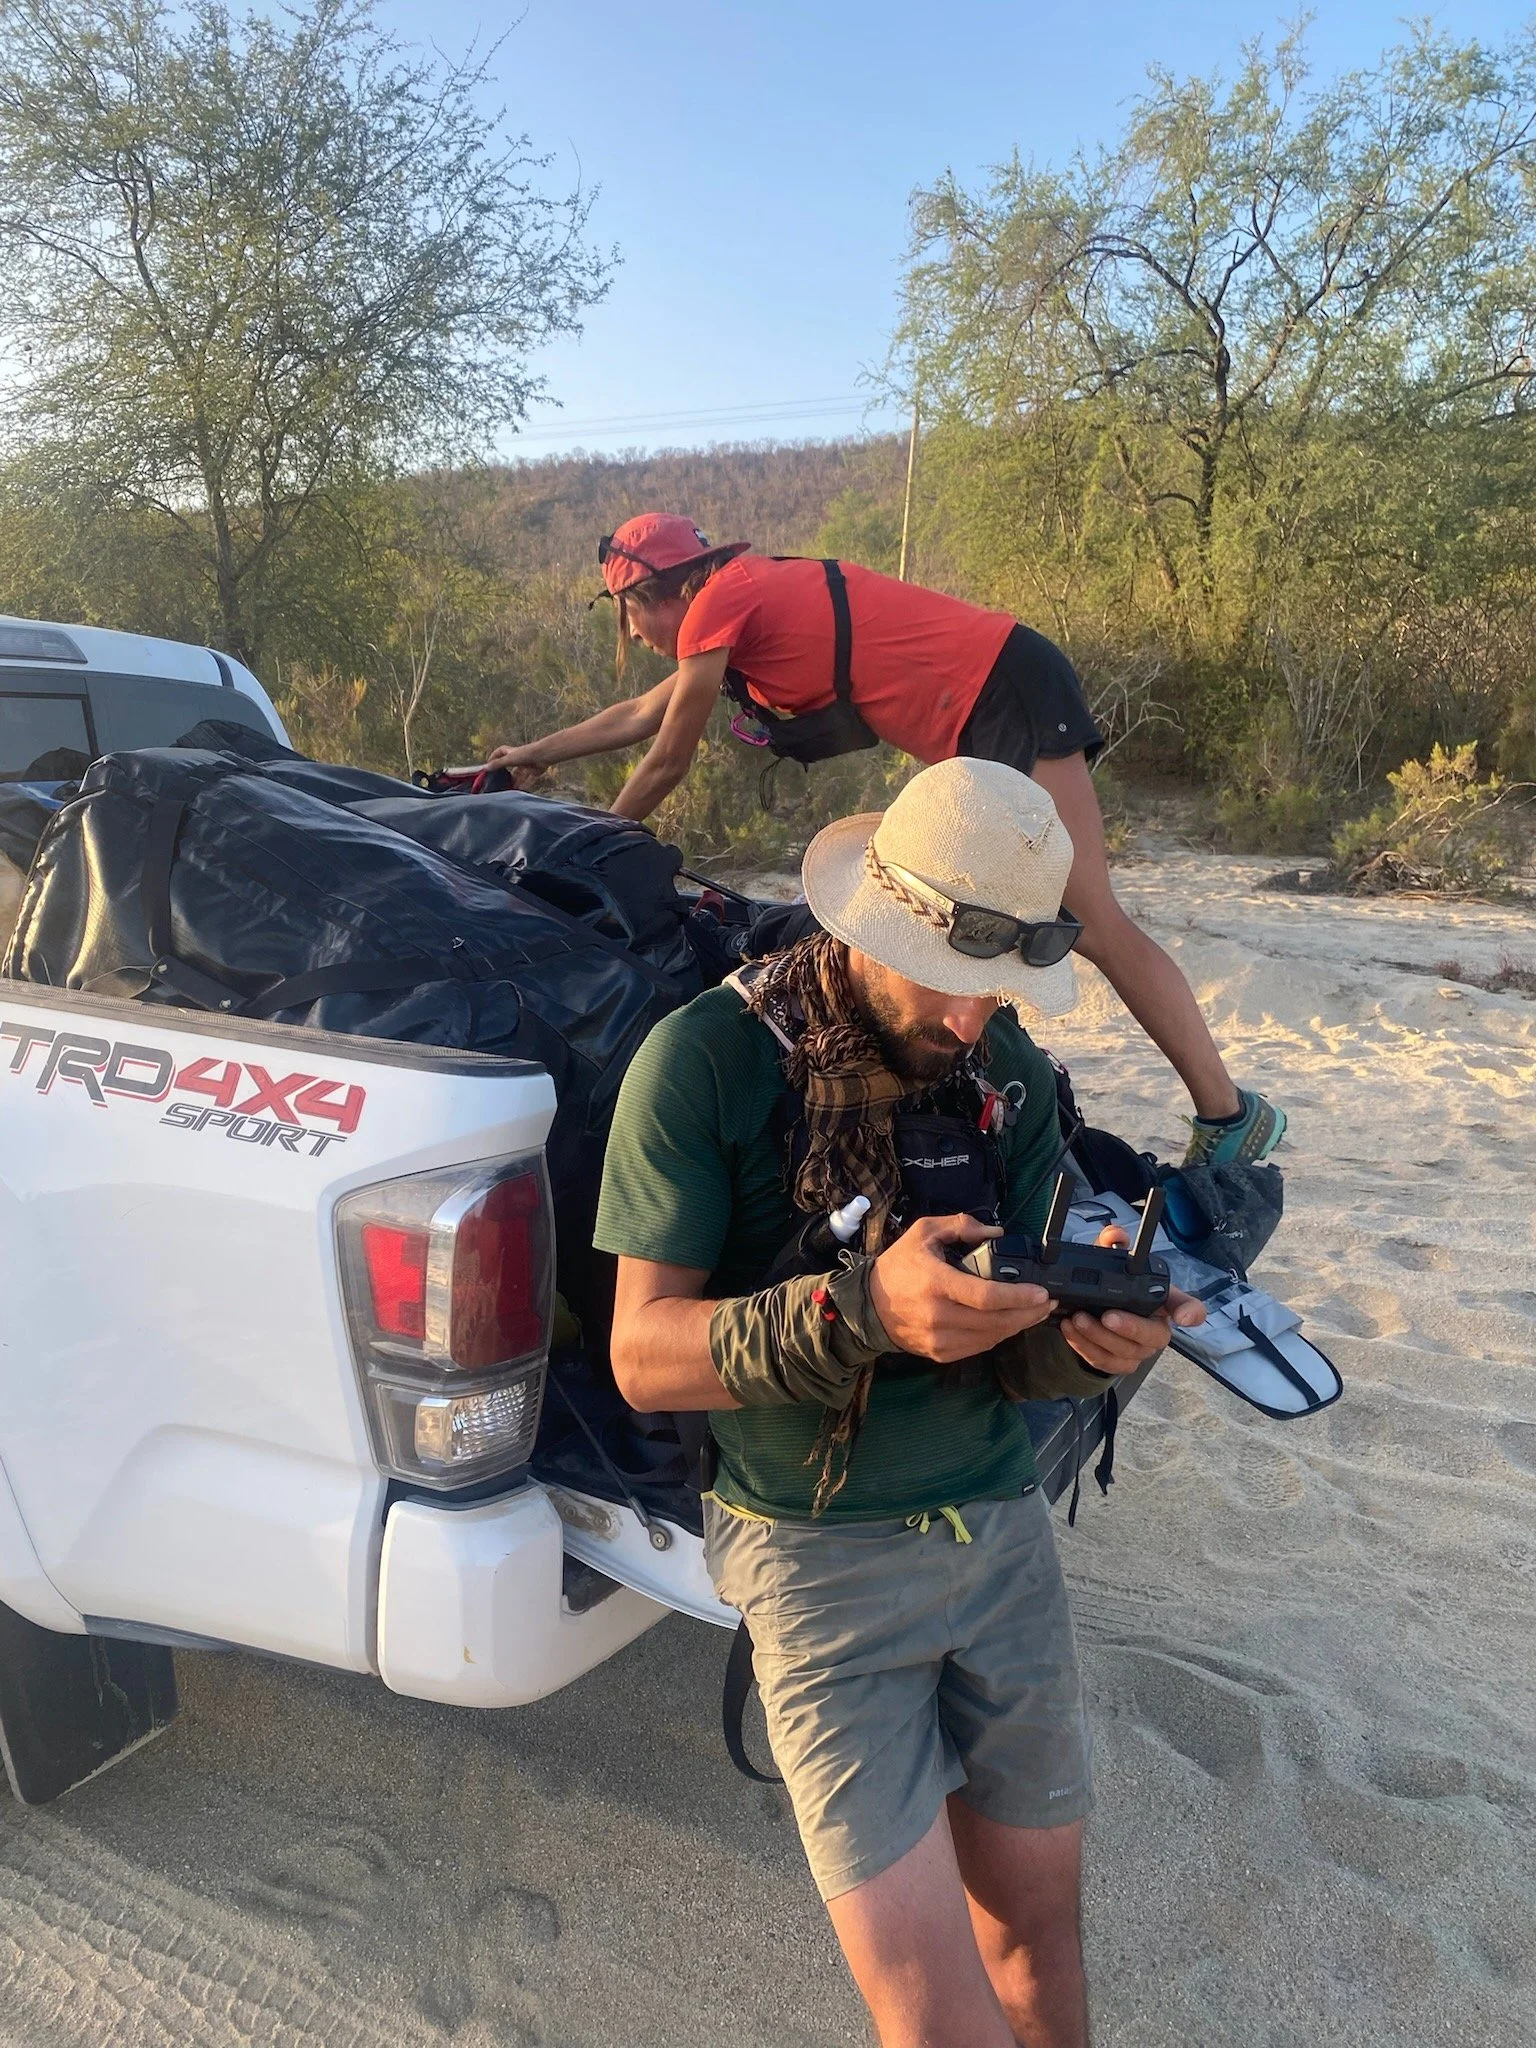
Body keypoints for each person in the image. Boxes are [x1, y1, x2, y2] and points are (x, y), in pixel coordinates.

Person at [593, 757, 1205, 2048]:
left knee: (1039, 1949)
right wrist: (858, 1310)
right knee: (937, 2017)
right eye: (957, 982)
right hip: (814, 1566)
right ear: (875, 919)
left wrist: (1089, 1346)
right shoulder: (706, 1065)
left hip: (998, 1534)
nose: (977, 1020)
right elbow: (642, 1357)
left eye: (1005, 993)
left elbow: (1011, 1357)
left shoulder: (1002, 1076)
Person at [488, 514, 1282, 1168]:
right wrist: (534, 755)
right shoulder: (734, 600)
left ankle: (1229, 1115)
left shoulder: (721, 602)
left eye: (626, 611)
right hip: (993, 698)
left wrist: (591, 845)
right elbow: (638, 716)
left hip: (1004, 689)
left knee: (1089, 923)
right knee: (980, 916)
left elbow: (668, 754)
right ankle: (1007, 1102)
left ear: (652, 591)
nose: (631, 629)